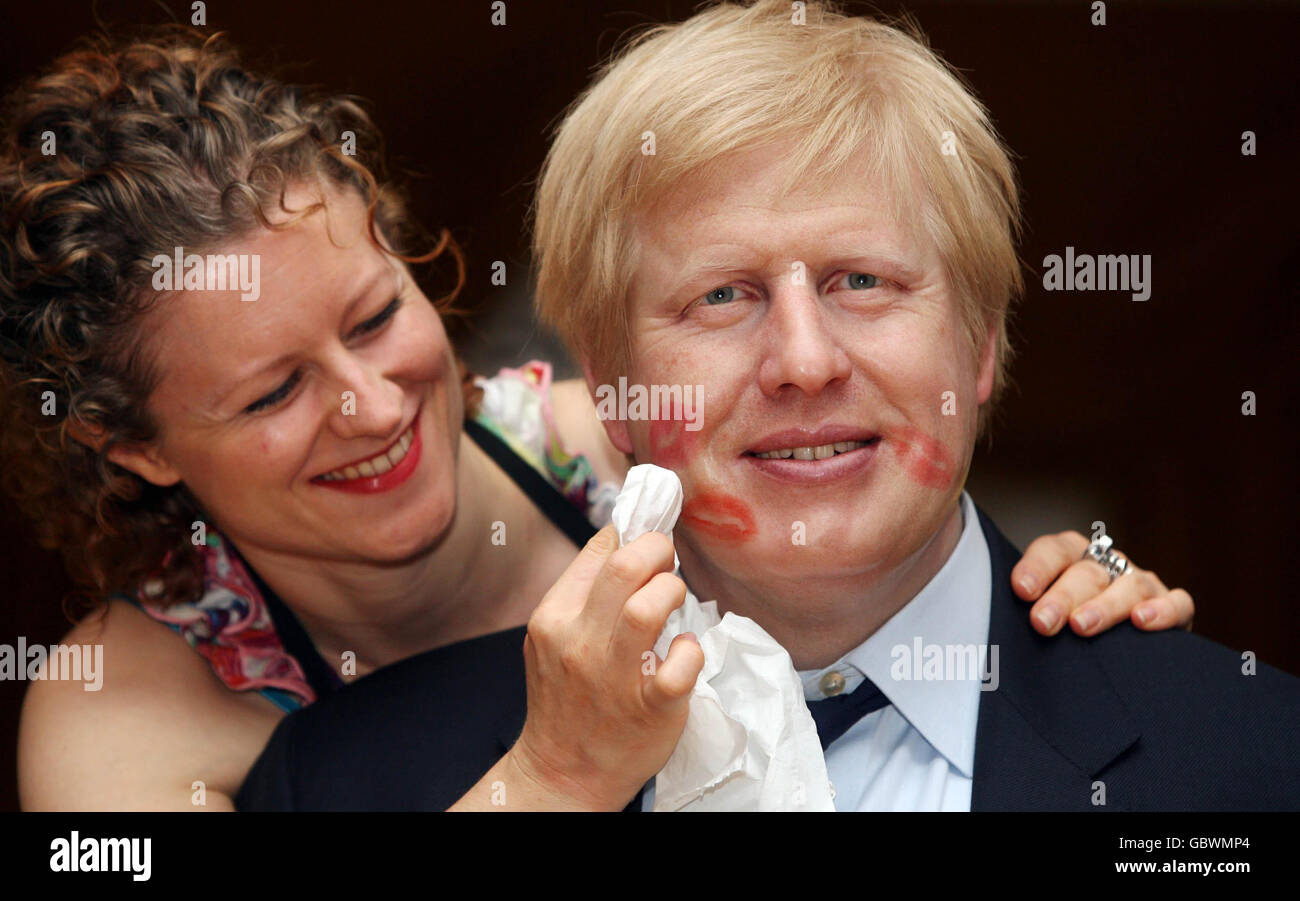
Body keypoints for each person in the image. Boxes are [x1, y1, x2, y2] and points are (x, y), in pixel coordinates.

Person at [234, 0, 1299, 812]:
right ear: (608, 386)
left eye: (861, 282)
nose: (801, 360)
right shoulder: (349, 780)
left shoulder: (1253, 759)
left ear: (978, 346)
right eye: (722, 296)